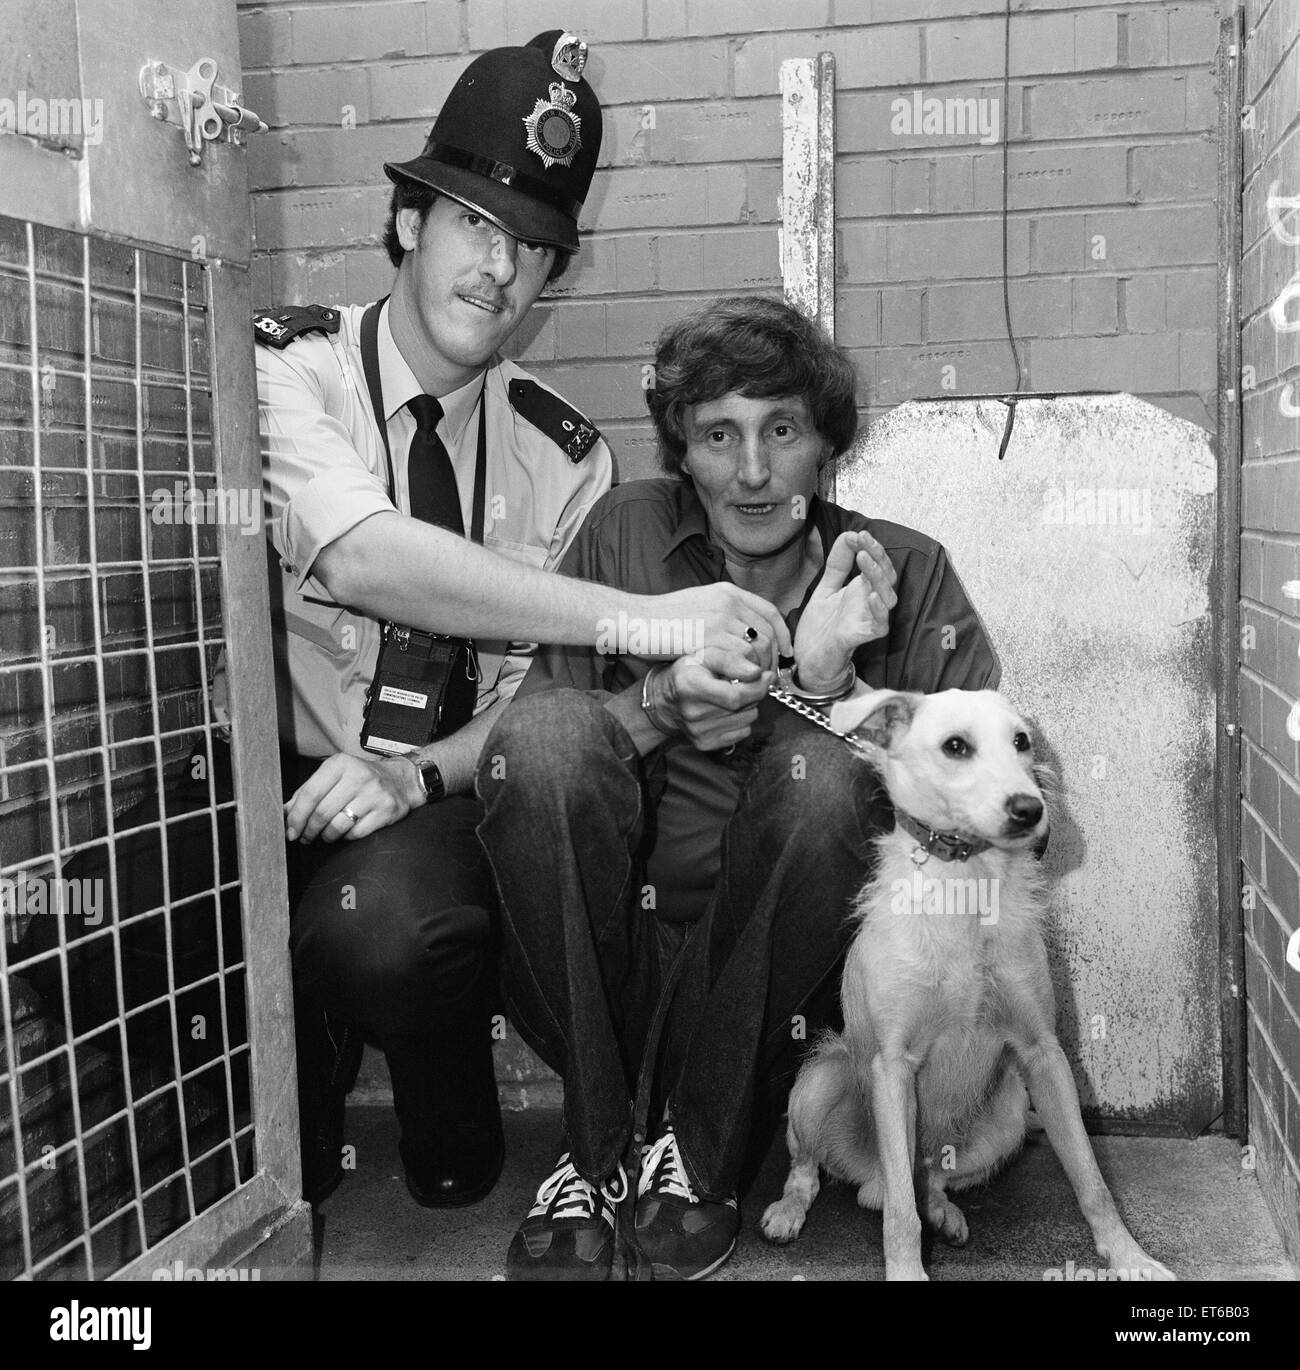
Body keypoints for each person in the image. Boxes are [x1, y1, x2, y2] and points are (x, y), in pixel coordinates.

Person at [242, 33, 791, 1213]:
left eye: (534, 248)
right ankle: (265, 1084)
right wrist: (649, 620)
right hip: (265, 769)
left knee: (392, 928)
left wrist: (412, 781)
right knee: (118, 894)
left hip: (430, 793)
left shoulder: (562, 457)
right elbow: (367, 556)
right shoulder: (287, 370)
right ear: (407, 224)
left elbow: (536, 712)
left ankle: (437, 1083)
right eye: (476, 227)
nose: (502, 270)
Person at [476, 295, 1002, 1279]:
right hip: (606, 962)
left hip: (783, 995)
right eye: (719, 434)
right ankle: (591, 1153)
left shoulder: (907, 573)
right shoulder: (626, 533)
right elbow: (536, 755)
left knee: (822, 769)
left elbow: (986, 835)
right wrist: (662, 705)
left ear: (826, 447)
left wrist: (826, 689)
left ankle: (698, 1155)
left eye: (782, 431)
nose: (752, 472)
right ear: (683, 448)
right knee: (540, 734)